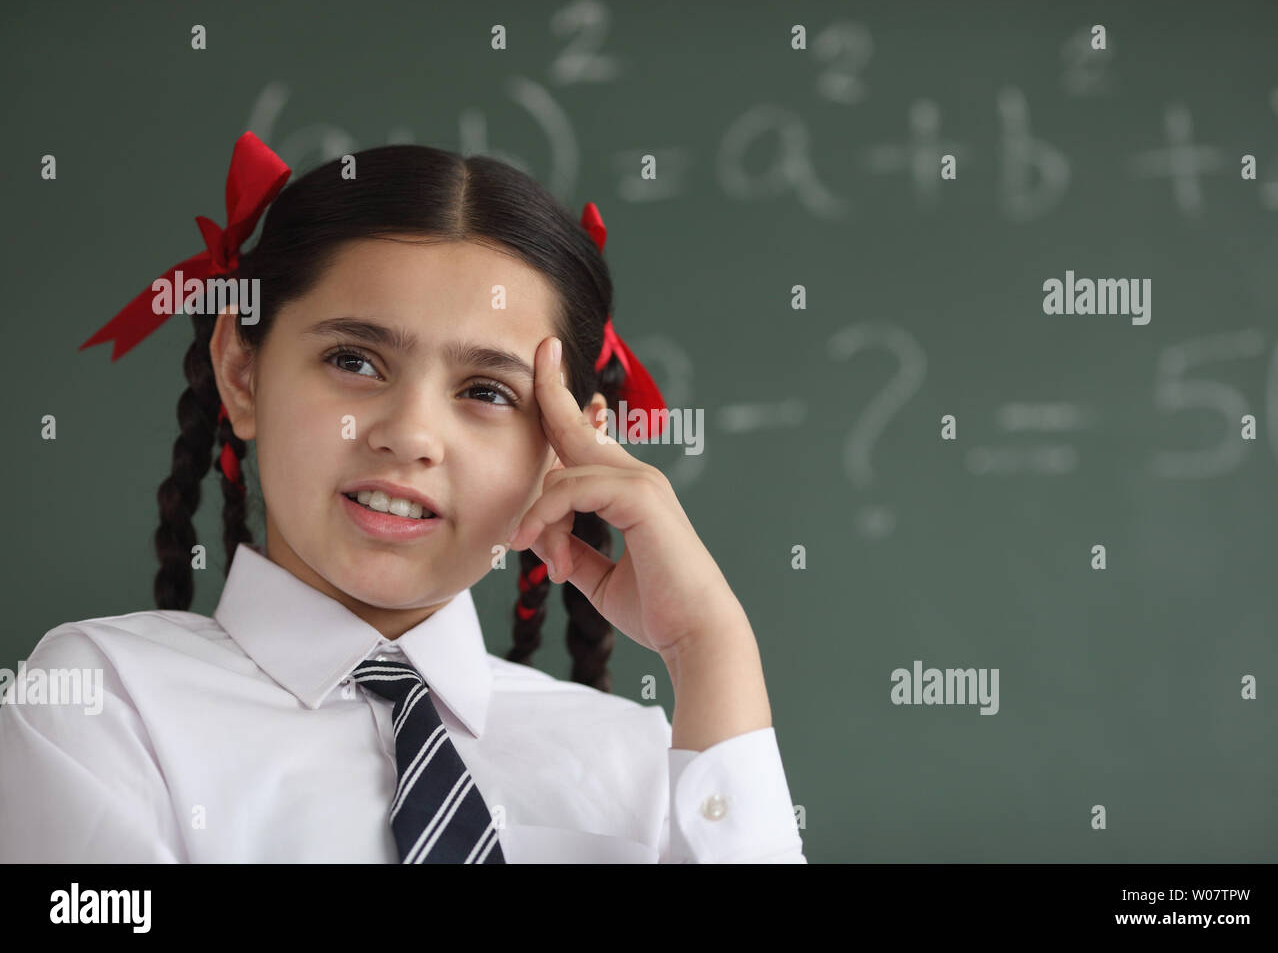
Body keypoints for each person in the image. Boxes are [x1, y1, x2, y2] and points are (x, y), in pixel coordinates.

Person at [0, 132, 806, 863]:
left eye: (488, 391)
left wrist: (710, 649)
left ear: (569, 441)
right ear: (242, 374)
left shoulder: (642, 757)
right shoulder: (101, 702)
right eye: (354, 360)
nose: (410, 434)